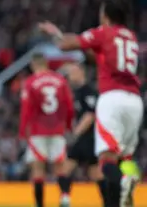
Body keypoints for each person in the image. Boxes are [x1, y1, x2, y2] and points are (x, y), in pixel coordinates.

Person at [39, 0, 142, 207]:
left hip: (112, 98)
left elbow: (66, 44)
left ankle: (120, 188)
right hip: (135, 101)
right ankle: (128, 179)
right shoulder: (131, 38)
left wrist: (55, 33)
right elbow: (103, 59)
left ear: (106, 16)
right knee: (125, 157)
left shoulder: (104, 32)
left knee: (107, 160)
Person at [19, 54, 74, 207]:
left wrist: (23, 131)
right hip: (57, 129)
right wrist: (68, 125)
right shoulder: (61, 80)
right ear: (46, 64)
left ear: (33, 65)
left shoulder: (30, 82)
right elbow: (69, 106)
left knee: (38, 168)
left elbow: (26, 110)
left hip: (38, 130)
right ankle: (64, 196)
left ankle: (39, 203)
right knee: (60, 166)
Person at [57, 63, 105, 207]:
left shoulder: (88, 91)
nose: (70, 76)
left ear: (81, 72)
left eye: (72, 72)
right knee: (95, 174)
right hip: (89, 139)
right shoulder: (77, 92)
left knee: (64, 170)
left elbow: (90, 115)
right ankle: (109, 201)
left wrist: (75, 133)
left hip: (87, 138)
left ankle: (65, 198)